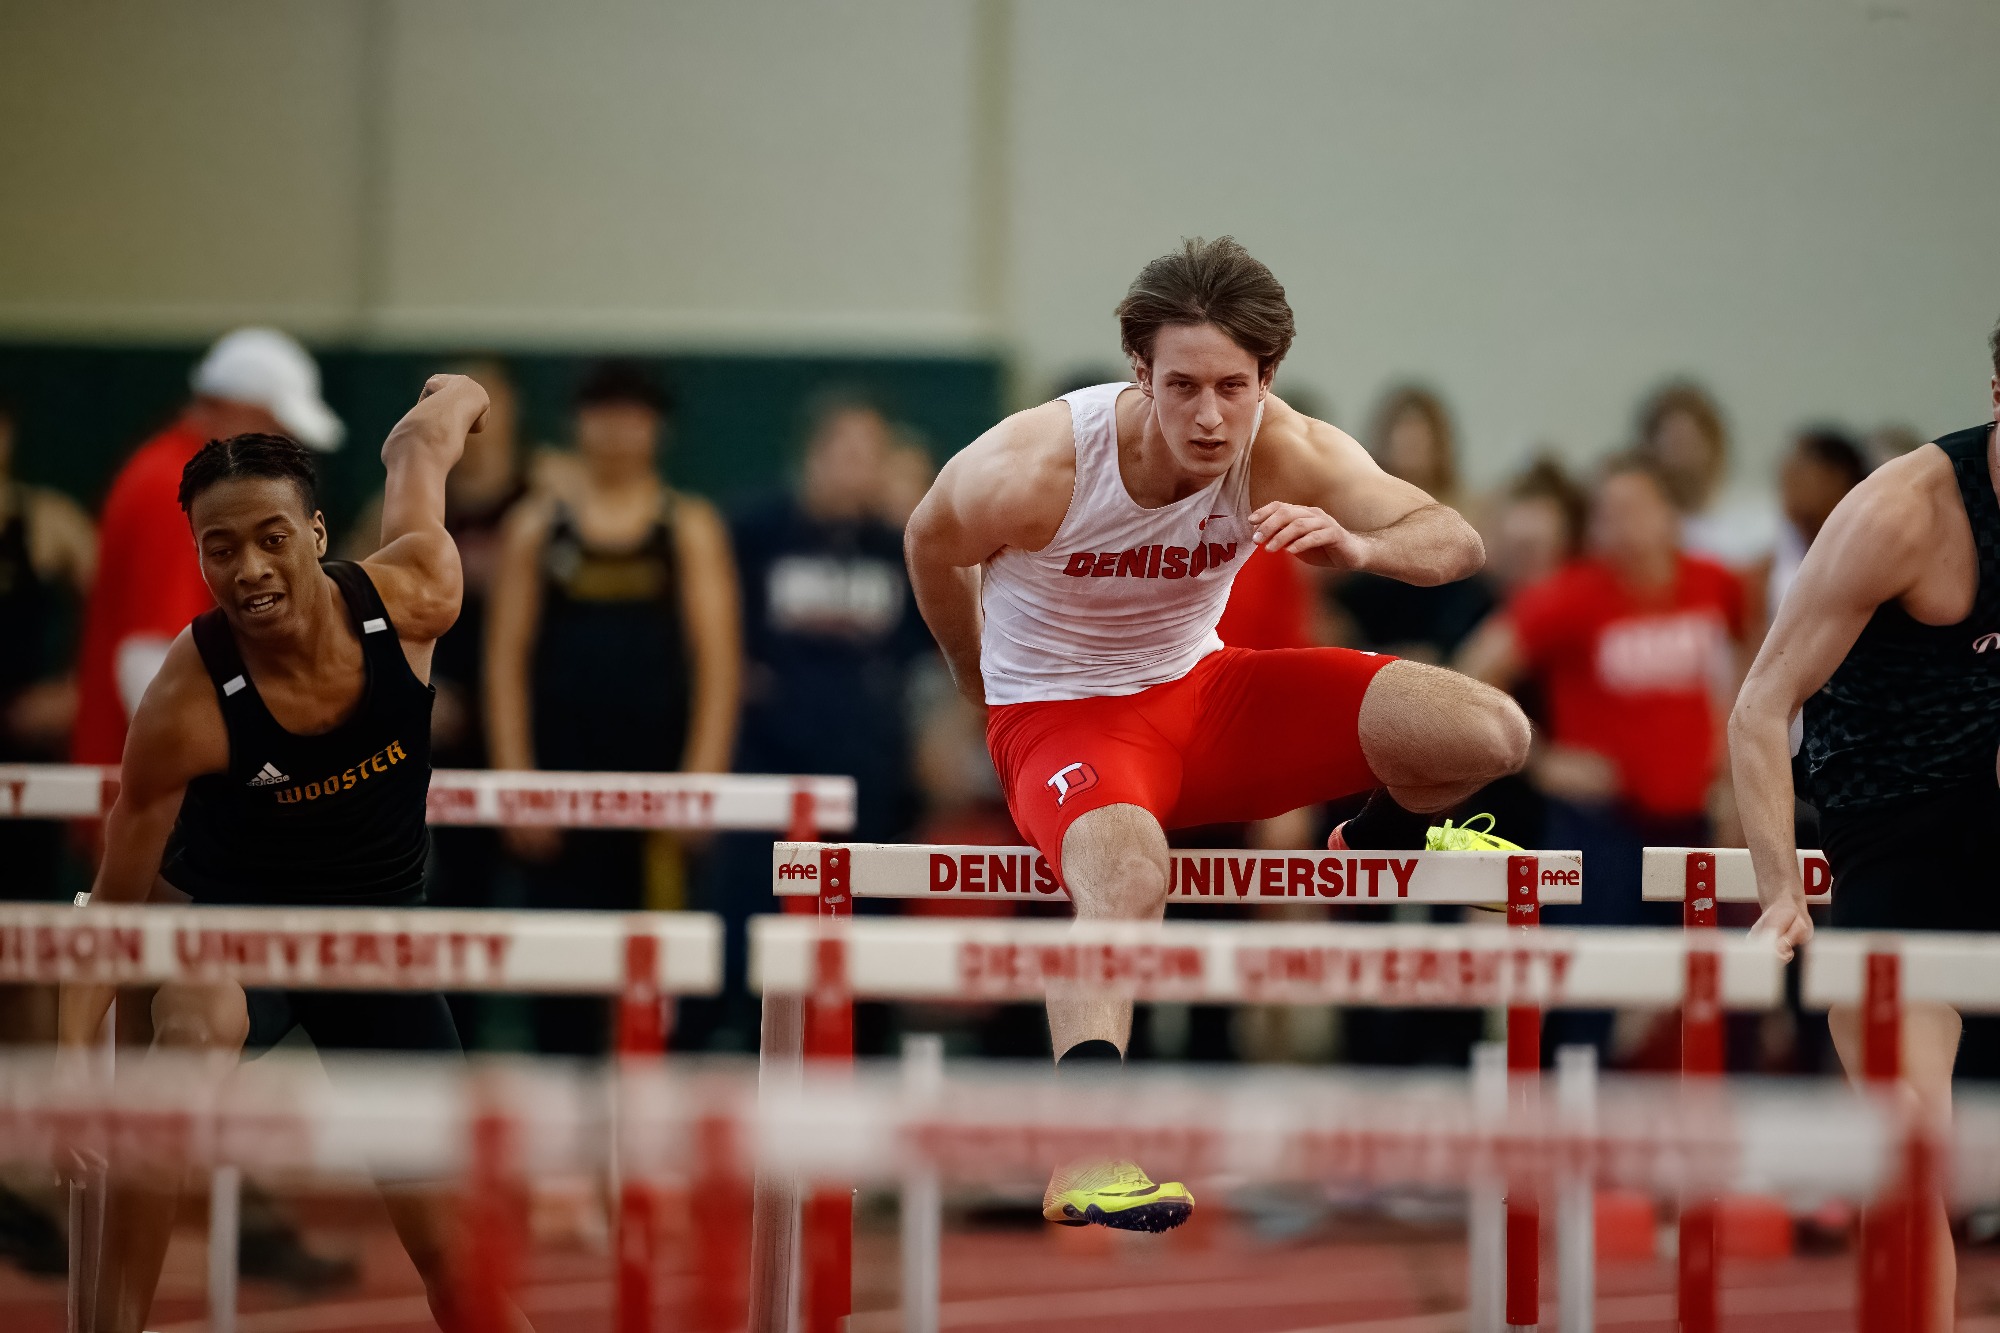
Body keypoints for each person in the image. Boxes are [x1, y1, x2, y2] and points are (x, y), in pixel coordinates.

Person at [903, 237, 1530, 1231]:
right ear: (1138, 374)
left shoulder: (1281, 445)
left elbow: (1455, 539)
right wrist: (977, 675)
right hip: (1066, 720)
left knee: (1489, 731)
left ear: (1264, 379)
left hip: (1205, 696)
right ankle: (1086, 1151)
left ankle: (1372, 833)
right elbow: (928, 543)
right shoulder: (1035, 467)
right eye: (1182, 385)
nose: (1207, 416)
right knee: (1126, 870)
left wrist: (1362, 545)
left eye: (1231, 388)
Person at [55, 378, 525, 1332]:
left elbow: (425, 451)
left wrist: (456, 400)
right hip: (232, 931)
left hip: (376, 940)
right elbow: (112, 902)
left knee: (453, 1254)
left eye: (272, 538)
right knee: (187, 1039)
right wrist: (64, 1071)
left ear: (316, 535)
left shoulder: (418, 592)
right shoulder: (186, 702)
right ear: (198, 558)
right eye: (219, 549)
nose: (250, 570)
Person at [1731, 318, 2000, 1332]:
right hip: (1898, 844)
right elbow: (1758, 705)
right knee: (1907, 1156)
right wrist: (1780, 894)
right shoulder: (1901, 512)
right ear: (1994, 394)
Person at [484, 362, 739, 1056]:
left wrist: (702, 778)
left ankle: (652, 1137)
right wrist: (516, 781)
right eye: (603, 413)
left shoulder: (687, 526)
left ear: (657, 429)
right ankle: (564, 1136)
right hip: (561, 779)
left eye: (634, 415)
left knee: (659, 969)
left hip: (657, 785)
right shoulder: (538, 526)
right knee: (561, 973)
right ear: (579, 424)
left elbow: (718, 664)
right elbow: (505, 661)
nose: (618, 431)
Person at [1458, 456, 1748, 1059]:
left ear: (1671, 514)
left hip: (1695, 822)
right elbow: (1466, 676)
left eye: (1636, 508)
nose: (1623, 526)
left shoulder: (1714, 583)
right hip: (1604, 827)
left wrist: (1733, 772)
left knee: (1719, 993)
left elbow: (1746, 670)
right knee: (1589, 998)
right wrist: (1543, 757)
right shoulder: (1571, 595)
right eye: (1608, 514)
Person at [346, 359, 531, 1046]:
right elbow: (354, 607)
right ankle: (442, 1049)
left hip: (516, 721)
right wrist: (409, 689)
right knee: (435, 891)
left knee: (525, 899)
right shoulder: (394, 508)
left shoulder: (544, 497)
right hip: (429, 715)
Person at [73, 328, 343, 774]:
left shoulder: (186, 481)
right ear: (234, 409)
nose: (286, 451)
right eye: (278, 429)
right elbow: (149, 659)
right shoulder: (173, 487)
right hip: (161, 801)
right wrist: (237, 772)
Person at [1328, 385, 1495, 662]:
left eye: (1419, 432)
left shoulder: (1465, 515)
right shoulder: (1354, 511)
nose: (1409, 441)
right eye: (1401, 430)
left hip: (1441, 646)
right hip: (1368, 643)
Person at [1634, 379, 1776, 572]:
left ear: (1713, 446)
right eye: (1676, 444)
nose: (1684, 459)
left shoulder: (1755, 523)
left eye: (1690, 443)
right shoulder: (1641, 533)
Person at [1757, 427, 1869, 627]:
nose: (1788, 475)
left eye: (1800, 469)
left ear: (1838, 477)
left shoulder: (1872, 562)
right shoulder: (1764, 572)